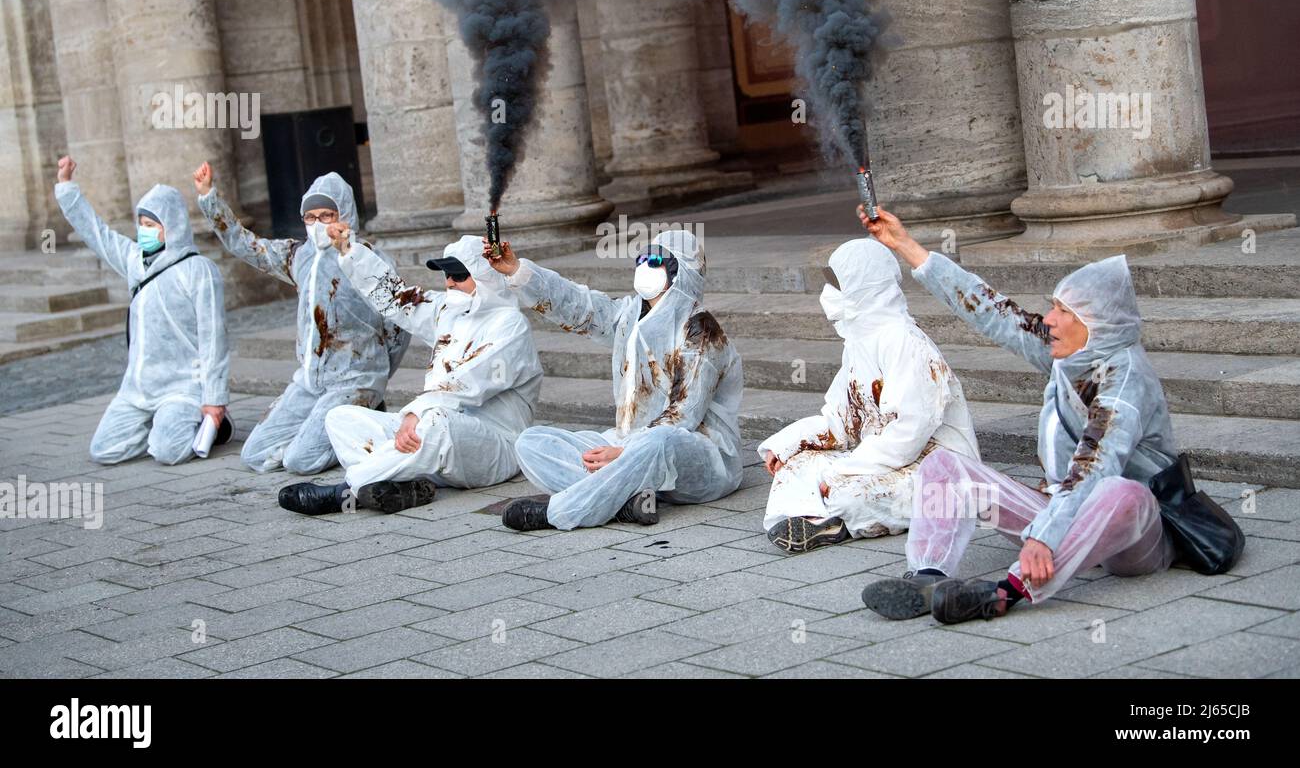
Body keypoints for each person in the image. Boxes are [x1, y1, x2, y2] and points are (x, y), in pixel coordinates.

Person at [858, 206, 1177, 624]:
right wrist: (905, 245)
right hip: (1061, 510)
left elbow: (1095, 468)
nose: (1050, 320)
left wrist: (1043, 537)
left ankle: (1006, 593)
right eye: (1054, 307)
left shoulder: (1125, 381)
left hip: (1130, 537)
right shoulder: (1070, 352)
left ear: (1099, 325)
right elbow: (991, 311)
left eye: (1065, 312)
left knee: (1124, 493)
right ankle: (928, 577)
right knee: (944, 467)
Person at [488, 229, 744, 531]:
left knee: (658, 441)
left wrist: (627, 455)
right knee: (531, 442)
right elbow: (578, 305)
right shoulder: (629, 315)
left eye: (655, 259)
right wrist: (518, 272)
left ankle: (560, 512)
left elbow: (684, 415)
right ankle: (627, 502)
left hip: (696, 455)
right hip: (627, 445)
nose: (644, 265)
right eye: (642, 257)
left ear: (680, 271)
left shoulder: (701, 330)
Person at [277, 232, 543, 516]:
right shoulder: (448, 311)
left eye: (459, 274)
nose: (449, 281)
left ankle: (349, 489)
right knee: (340, 417)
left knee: (436, 421)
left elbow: (468, 382)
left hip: (492, 448)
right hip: (434, 441)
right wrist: (350, 251)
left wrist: (417, 413)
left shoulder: (511, 326)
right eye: (446, 274)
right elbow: (395, 299)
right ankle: (405, 486)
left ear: (486, 276)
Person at [760, 238, 979, 553]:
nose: (830, 293)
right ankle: (821, 516)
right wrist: (789, 445)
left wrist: (844, 470)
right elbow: (839, 418)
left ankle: (834, 518)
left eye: (839, 283)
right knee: (797, 466)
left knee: (852, 490)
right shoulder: (858, 341)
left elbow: (909, 433)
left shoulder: (906, 342)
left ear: (863, 285)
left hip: (935, 464)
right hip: (879, 457)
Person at [193, 162, 408, 475]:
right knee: (255, 454)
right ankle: (329, 429)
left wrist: (378, 373)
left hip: (354, 379)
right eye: (310, 217)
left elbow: (399, 323)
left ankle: (365, 417)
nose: (317, 223)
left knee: (300, 461)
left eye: (326, 216)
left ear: (344, 215)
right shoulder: (298, 255)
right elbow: (246, 244)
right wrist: (210, 198)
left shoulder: (368, 258)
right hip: (310, 381)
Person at [54, 156, 230, 465]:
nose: (143, 231)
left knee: (168, 452)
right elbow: (98, 233)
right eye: (141, 224)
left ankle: (208, 427)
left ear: (171, 226)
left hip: (182, 386)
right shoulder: (134, 261)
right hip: (139, 386)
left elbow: (214, 337)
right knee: (104, 449)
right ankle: (162, 423)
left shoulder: (198, 270)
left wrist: (215, 400)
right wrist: (67, 188)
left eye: (151, 225)